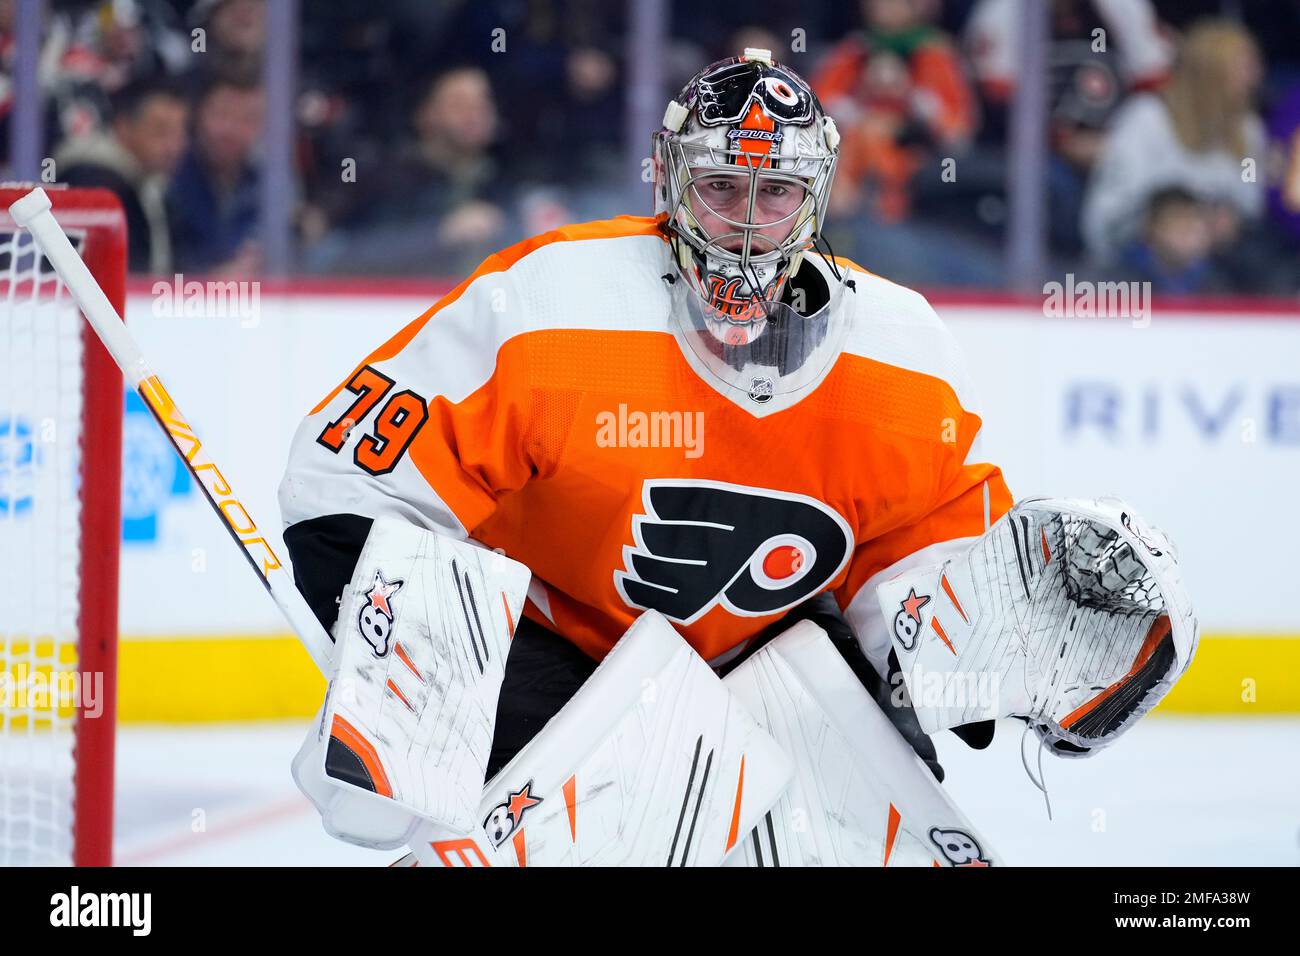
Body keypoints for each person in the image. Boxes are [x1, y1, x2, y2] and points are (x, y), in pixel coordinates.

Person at [278, 51, 1196, 861]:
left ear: (817, 199)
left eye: (775, 193)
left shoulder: (903, 358)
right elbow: (345, 481)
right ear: (671, 184)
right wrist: (422, 682)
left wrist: (981, 644)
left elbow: (914, 565)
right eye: (721, 188)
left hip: (773, 678)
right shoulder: (552, 307)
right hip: (564, 667)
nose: (748, 225)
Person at [1082, 19, 1266, 266]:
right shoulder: (1146, 121)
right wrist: (1165, 223)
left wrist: (1228, 217)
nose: (1253, 78)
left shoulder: (1247, 131)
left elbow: (1250, 198)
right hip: (1142, 258)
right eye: (1243, 68)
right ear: (1209, 72)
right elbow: (1109, 213)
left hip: (1219, 260)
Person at [58, 77, 188, 274]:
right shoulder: (92, 183)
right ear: (123, 126)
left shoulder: (153, 187)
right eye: (161, 131)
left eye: (179, 133)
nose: (173, 146)